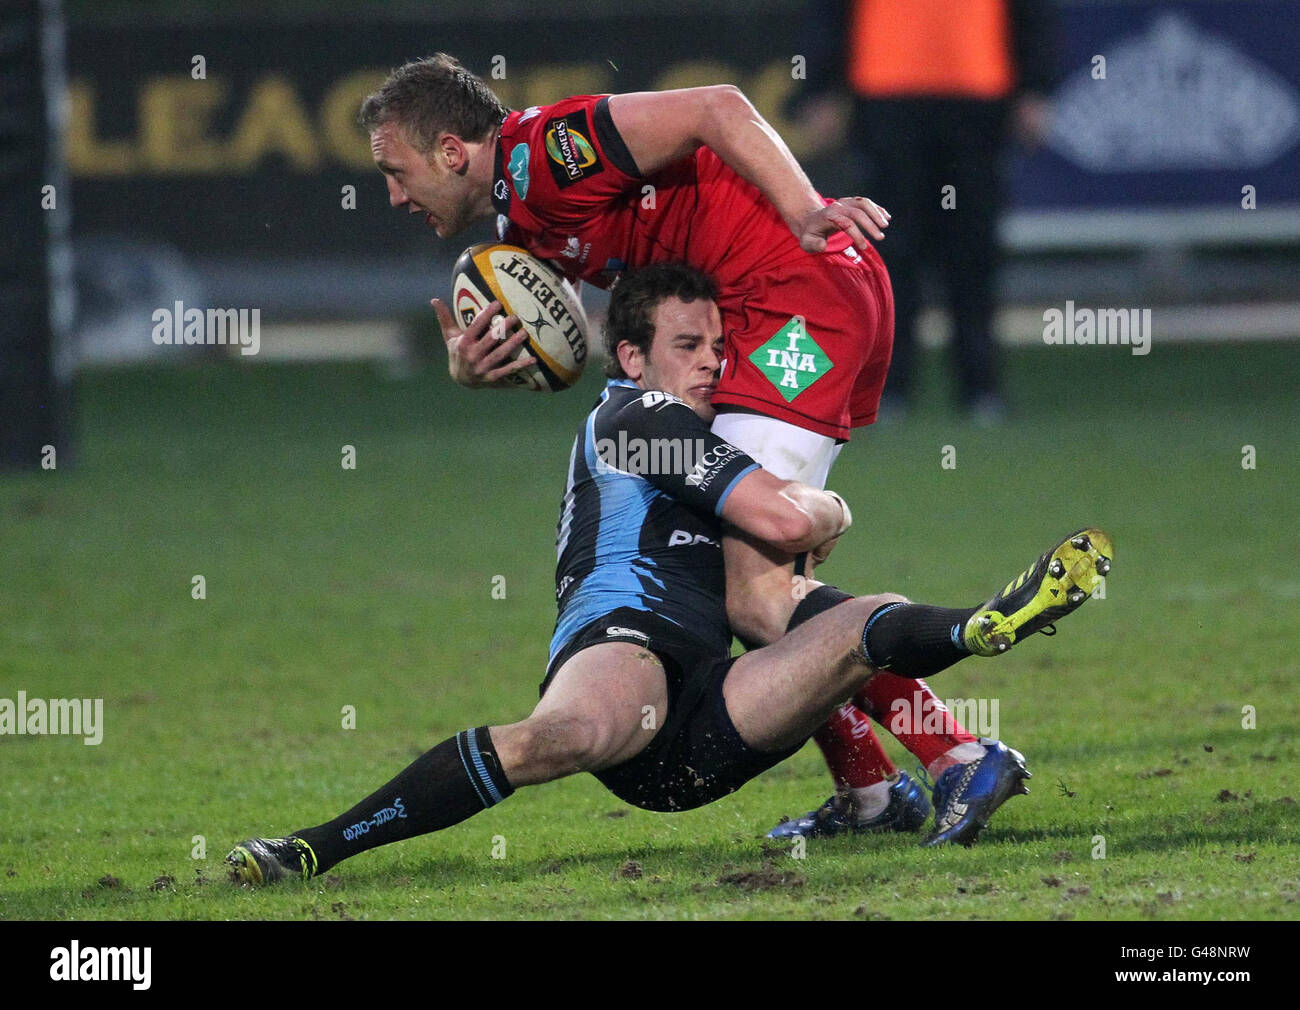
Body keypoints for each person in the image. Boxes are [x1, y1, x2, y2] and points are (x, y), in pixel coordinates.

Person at [225, 264, 1112, 884]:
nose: (712, 361)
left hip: (711, 718)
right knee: (563, 735)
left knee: (847, 624)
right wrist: (835, 512)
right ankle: (312, 848)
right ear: (634, 358)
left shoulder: (691, 430)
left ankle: (977, 631)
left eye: (717, 345)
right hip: (626, 648)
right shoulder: (637, 416)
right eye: (688, 344)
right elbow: (784, 516)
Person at [360, 55, 1028, 846]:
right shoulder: (522, 217)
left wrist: (803, 207)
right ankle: (871, 792)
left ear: (449, 150)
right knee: (740, 574)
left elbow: (716, 105)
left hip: (788, 298)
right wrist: (475, 371)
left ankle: (957, 755)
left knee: (756, 593)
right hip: (770, 306)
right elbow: (571, 340)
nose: (394, 196)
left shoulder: (545, 154)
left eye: (395, 171)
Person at [790, 0, 1063, 424]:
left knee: (971, 251)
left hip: (975, 88)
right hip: (887, 89)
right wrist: (820, 86)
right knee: (888, 248)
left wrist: (1036, 86)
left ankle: (979, 388)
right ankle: (888, 388)